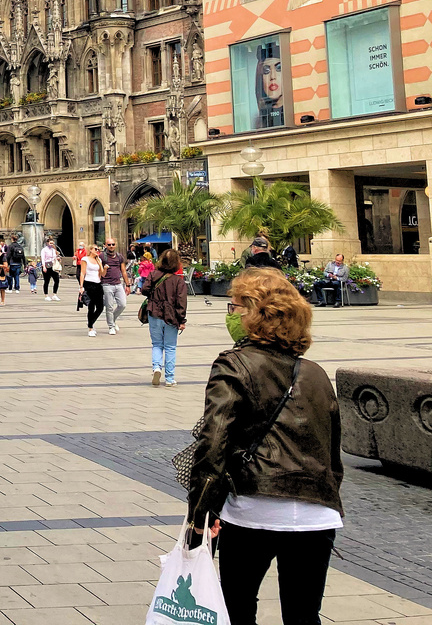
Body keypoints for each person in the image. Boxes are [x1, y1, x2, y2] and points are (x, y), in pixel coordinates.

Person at [187, 269, 343, 625]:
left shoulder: (234, 363)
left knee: (237, 609)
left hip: (252, 509)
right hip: (315, 515)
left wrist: (201, 515)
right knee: (304, 615)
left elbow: (214, 443)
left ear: (255, 314)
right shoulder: (316, 373)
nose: (230, 314)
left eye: (234, 307)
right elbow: (332, 453)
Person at [145, 249, 188, 387]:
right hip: (171, 316)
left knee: (157, 344)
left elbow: (144, 289)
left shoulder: (153, 274)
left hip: (154, 313)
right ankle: (169, 378)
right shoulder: (178, 281)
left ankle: (156, 367)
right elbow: (181, 302)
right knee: (170, 347)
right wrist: (182, 320)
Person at [100, 239, 128, 334]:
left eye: (113, 244)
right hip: (106, 284)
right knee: (109, 307)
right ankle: (111, 326)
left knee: (122, 304)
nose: (111, 246)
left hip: (118, 283)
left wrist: (127, 284)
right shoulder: (102, 256)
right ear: (105, 245)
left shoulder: (119, 256)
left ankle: (113, 319)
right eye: (109, 244)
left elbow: (123, 271)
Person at [79, 245, 104, 336]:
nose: (97, 251)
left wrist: (102, 266)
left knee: (100, 307)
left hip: (97, 284)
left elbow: (101, 274)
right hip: (89, 283)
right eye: (96, 249)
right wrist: (81, 286)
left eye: (99, 249)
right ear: (90, 250)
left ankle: (90, 322)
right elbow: (82, 273)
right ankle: (90, 328)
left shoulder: (99, 260)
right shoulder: (85, 259)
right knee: (91, 306)